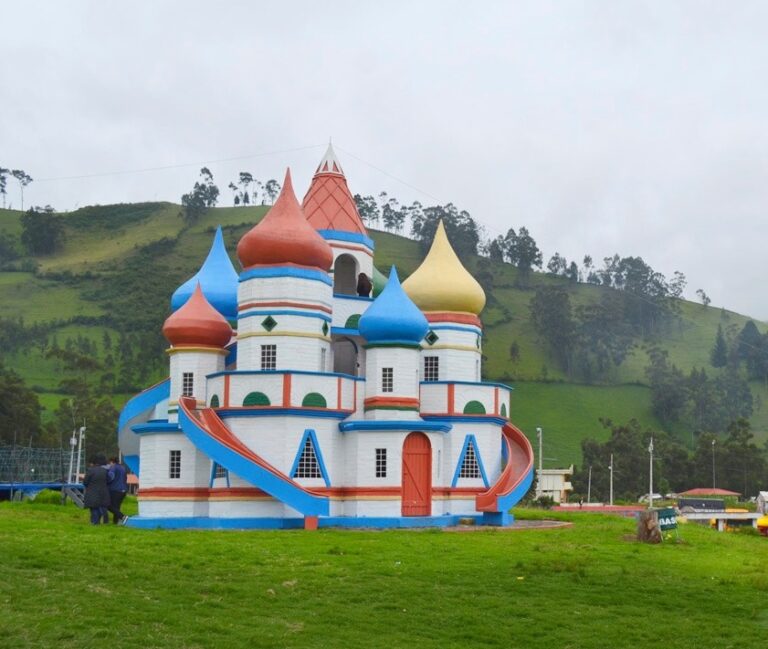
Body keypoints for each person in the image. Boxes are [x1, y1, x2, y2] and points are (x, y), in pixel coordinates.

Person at [83, 455, 111, 525]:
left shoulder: (90, 470)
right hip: (103, 492)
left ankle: (95, 522)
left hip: (92, 491)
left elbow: (85, 482)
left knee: (93, 508)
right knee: (99, 506)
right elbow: (109, 480)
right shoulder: (104, 471)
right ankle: (97, 520)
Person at [107, 456, 128, 524]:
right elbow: (125, 478)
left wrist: (106, 482)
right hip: (123, 490)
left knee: (108, 505)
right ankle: (115, 522)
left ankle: (123, 517)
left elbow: (111, 477)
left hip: (115, 490)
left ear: (111, 462)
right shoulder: (123, 468)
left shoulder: (113, 467)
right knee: (116, 507)